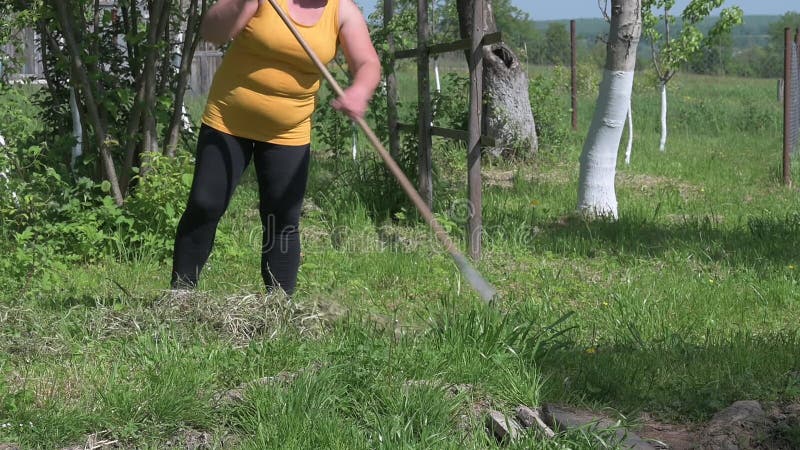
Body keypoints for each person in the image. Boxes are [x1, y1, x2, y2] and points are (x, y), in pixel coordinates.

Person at [171, 0, 381, 295]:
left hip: (288, 130)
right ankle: (181, 295)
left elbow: (368, 63)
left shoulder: (343, 11)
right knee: (206, 204)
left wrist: (360, 90)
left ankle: (279, 308)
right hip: (228, 120)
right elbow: (213, 32)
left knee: (282, 217)